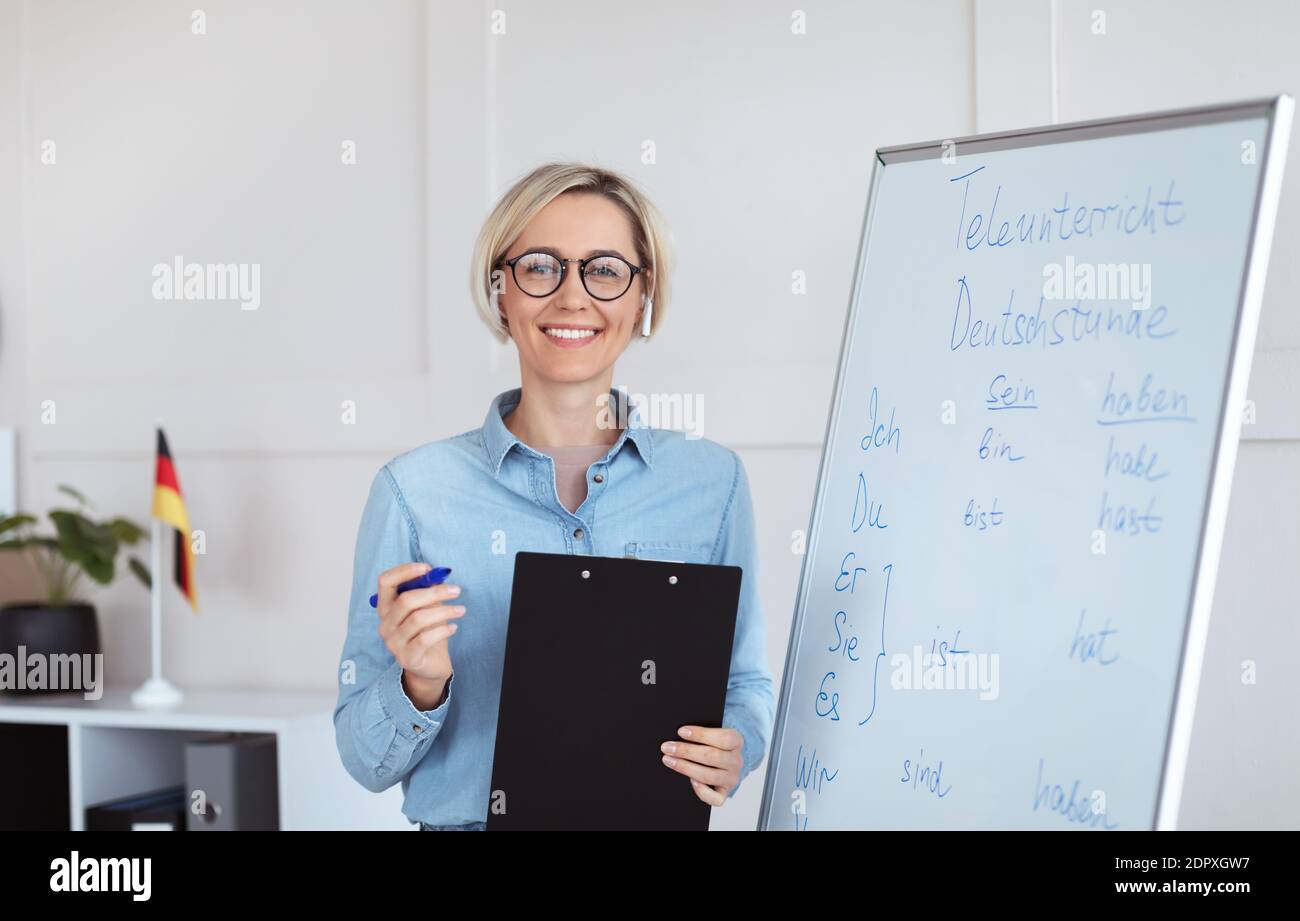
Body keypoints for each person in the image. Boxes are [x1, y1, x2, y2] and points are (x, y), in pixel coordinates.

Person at [334, 162, 774, 829]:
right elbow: (364, 759)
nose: (573, 297)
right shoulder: (414, 492)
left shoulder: (713, 484)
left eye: (604, 269)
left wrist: (736, 747)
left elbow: (745, 687)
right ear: (501, 290)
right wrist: (418, 684)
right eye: (542, 267)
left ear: (642, 293)